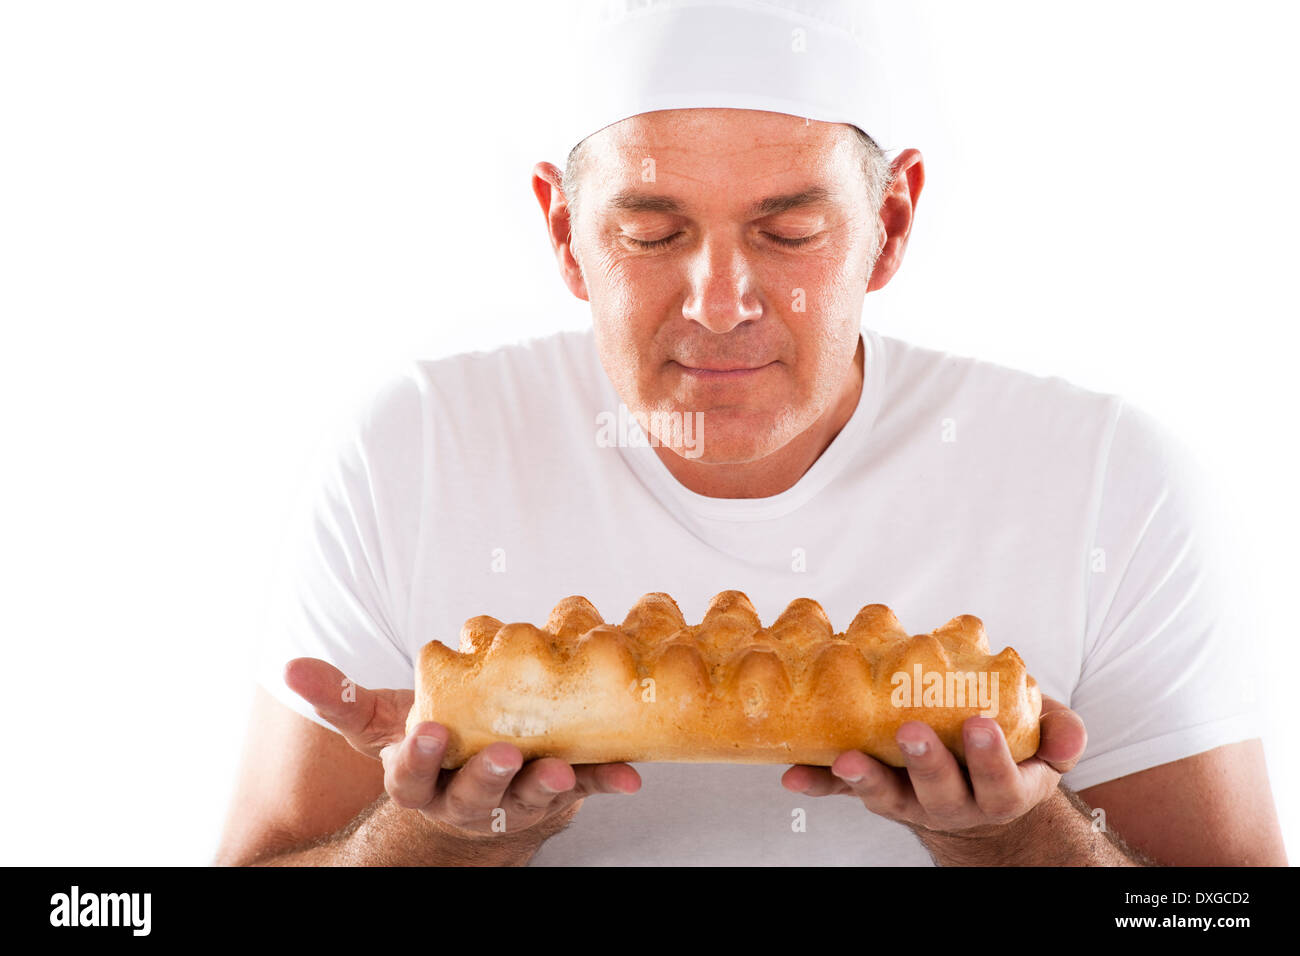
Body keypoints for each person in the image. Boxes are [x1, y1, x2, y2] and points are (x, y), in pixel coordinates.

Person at [214, 0, 1286, 866]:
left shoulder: (1100, 477)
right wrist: (429, 842)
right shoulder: (418, 449)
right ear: (564, 233)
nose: (719, 301)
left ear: (890, 225)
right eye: (649, 230)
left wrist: (1018, 841)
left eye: (790, 232)